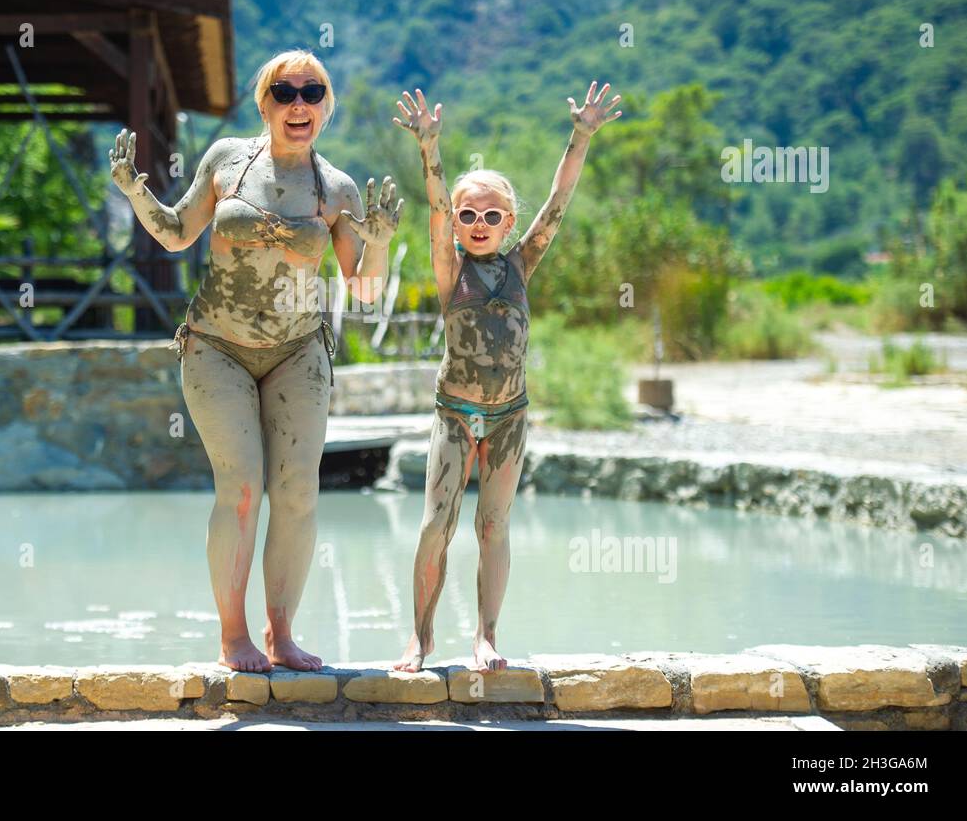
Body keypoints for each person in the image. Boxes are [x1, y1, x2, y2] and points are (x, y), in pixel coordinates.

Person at [109, 49, 403, 672]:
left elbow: (366, 289)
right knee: (241, 488)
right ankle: (233, 636)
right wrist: (136, 191)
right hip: (217, 346)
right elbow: (174, 232)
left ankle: (282, 634)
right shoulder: (227, 163)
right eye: (286, 91)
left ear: (326, 105)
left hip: (299, 350)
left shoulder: (338, 188)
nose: (300, 104)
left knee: (296, 492)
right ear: (264, 103)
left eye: (313, 92)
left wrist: (376, 245)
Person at [391, 82, 621, 672]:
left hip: (509, 417)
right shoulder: (451, 267)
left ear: (508, 221)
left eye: (491, 215)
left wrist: (582, 135)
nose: (477, 223)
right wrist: (430, 148)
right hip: (454, 412)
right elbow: (437, 208)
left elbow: (559, 200)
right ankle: (420, 637)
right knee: (434, 526)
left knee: (493, 525)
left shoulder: (522, 261)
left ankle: (486, 636)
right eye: (469, 214)